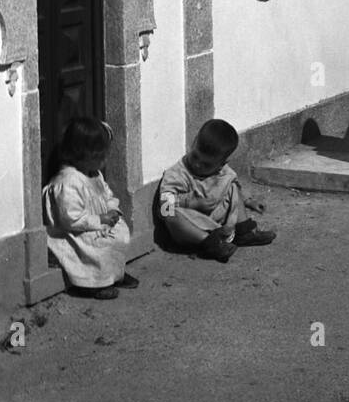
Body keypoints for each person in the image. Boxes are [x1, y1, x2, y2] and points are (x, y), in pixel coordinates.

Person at [42, 117, 139, 300]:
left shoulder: (94, 174)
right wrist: (100, 220)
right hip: (75, 230)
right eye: (99, 157)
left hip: (95, 223)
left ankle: (112, 274)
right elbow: (70, 218)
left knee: (120, 233)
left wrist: (112, 210)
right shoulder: (68, 181)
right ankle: (93, 284)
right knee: (99, 246)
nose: (104, 161)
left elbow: (107, 194)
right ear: (81, 155)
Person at [158, 119, 276, 263]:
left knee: (231, 184)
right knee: (170, 214)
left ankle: (244, 231)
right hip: (192, 228)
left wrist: (248, 201)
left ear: (222, 163)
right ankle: (210, 244)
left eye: (206, 164)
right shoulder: (177, 174)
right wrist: (192, 203)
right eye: (195, 156)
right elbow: (164, 207)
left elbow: (236, 187)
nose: (197, 164)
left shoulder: (222, 172)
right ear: (194, 143)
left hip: (219, 222)